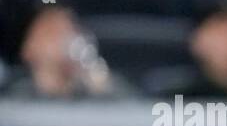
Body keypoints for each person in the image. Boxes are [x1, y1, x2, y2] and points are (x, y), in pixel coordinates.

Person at [3, 6, 132, 98]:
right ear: (29, 48)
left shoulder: (97, 90)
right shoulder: (13, 97)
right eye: (51, 33)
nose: (63, 39)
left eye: (68, 31)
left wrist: (101, 83)